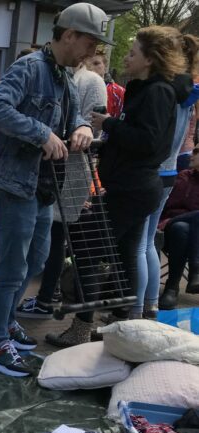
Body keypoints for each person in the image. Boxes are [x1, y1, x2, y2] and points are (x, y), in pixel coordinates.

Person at [0, 3, 103, 377]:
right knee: (14, 266)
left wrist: (82, 126)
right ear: (69, 35)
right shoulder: (30, 68)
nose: (94, 52)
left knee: (34, 262)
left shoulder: (64, 75)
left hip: (43, 187)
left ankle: (6, 324)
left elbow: (70, 116)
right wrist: (41, 133)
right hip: (15, 184)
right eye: (90, 42)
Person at [47, 25, 186, 346]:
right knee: (123, 254)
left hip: (132, 188)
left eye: (133, 52)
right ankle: (124, 325)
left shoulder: (157, 92)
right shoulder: (152, 89)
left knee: (88, 248)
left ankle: (81, 328)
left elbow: (150, 143)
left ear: (150, 59)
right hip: (136, 187)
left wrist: (107, 124)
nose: (126, 56)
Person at [17, 54, 107, 317]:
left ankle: (45, 299)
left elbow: (91, 129)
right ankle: (48, 293)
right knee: (53, 236)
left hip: (71, 171)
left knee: (57, 235)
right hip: (53, 169)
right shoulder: (64, 77)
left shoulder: (90, 81)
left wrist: (64, 135)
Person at [130, 33, 199, 319]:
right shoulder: (186, 92)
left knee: (139, 244)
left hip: (154, 172)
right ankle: (150, 305)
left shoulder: (167, 91)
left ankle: (135, 308)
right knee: (147, 243)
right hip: (170, 171)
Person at [159, 147, 199, 309]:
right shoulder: (183, 176)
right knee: (182, 227)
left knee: (185, 226)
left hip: (188, 234)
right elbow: (165, 203)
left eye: (196, 152)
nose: (191, 155)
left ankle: (172, 287)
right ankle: (195, 271)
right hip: (169, 229)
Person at [87, 51, 125, 116]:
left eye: (96, 63)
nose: (91, 68)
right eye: (87, 65)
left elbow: (121, 121)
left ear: (105, 66)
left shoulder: (119, 91)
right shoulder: (77, 86)